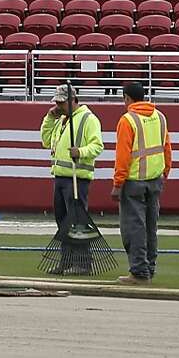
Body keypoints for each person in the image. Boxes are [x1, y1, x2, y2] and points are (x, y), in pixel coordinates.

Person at [40, 84, 105, 276]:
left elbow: (97, 146)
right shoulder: (61, 120)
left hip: (78, 179)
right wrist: (49, 119)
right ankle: (66, 262)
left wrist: (81, 152)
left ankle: (84, 263)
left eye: (62, 102)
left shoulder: (89, 119)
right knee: (63, 223)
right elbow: (45, 141)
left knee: (77, 222)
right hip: (60, 177)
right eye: (57, 103)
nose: (59, 106)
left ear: (73, 100)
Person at [111, 81, 170, 284]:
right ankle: (149, 269)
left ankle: (139, 272)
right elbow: (166, 148)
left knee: (133, 228)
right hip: (155, 180)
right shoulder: (159, 117)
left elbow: (123, 156)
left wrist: (117, 184)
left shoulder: (127, 120)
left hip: (134, 182)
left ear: (127, 98)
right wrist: (165, 172)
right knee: (150, 227)